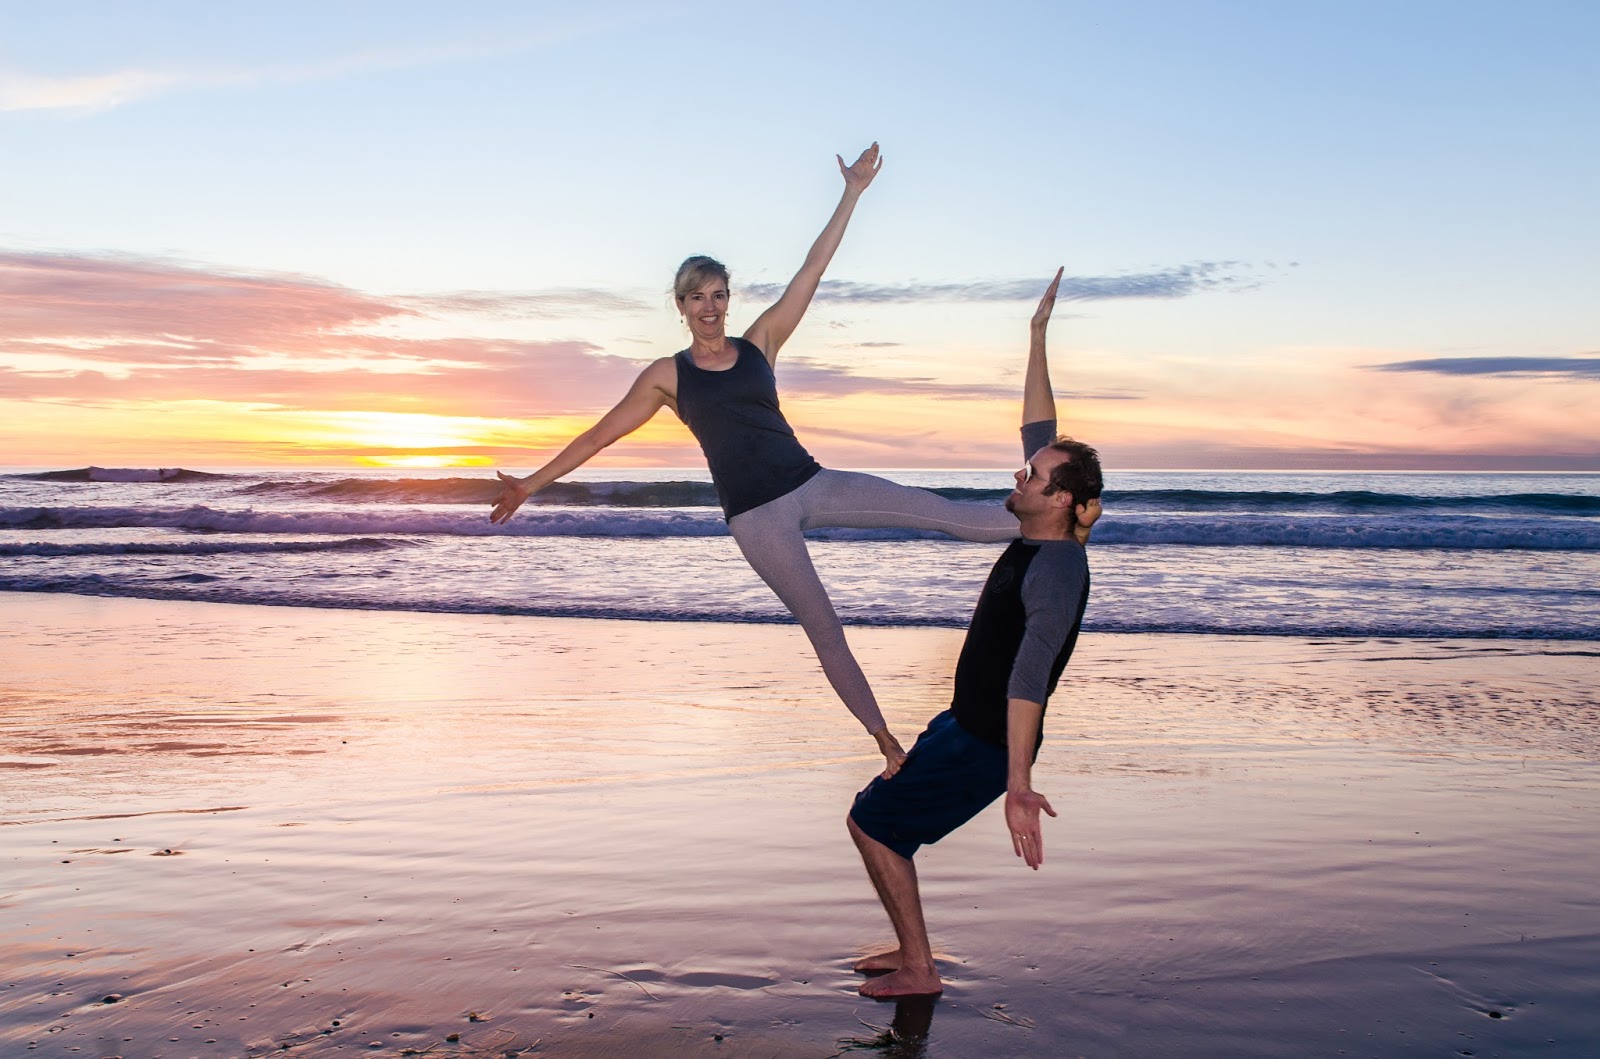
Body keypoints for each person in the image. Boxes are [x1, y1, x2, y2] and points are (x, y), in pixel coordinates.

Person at [489, 144, 1025, 778]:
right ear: (680, 306)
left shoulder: (760, 343)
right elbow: (598, 436)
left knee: (934, 510)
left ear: (728, 299)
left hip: (812, 483)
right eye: (696, 297)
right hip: (756, 519)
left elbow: (811, 271)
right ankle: (886, 743)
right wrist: (530, 484)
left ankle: (1049, 523)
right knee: (824, 627)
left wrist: (851, 193)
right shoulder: (667, 376)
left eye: (718, 295)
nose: (709, 307)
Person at [846, 271, 1101, 999]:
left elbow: (1030, 677)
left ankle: (919, 967)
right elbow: (1041, 432)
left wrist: (1018, 783)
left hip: (986, 744)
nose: (1020, 474)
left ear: (1062, 500)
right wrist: (1037, 335)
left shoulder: (1056, 567)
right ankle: (910, 952)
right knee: (881, 823)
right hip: (964, 726)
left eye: (1034, 475)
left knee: (872, 823)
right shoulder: (1042, 534)